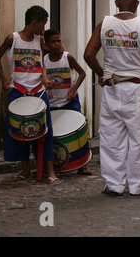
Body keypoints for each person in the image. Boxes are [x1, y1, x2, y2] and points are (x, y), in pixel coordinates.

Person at [84, 0, 140, 197]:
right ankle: (137, 186)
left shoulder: (104, 24)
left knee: (111, 138)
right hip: (138, 89)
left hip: (112, 88)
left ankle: (114, 185)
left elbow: (88, 55)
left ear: (116, 3)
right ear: (137, 4)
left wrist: (102, 74)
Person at [0, 5, 60, 185]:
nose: (44, 30)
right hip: (19, 90)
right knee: (19, 132)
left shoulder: (39, 40)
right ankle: (25, 170)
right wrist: (4, 81)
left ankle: (51, 170)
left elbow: (41, 63)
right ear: (34, 22)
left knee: (46, 131)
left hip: (38, 91)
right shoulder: (12, 39)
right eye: (43, 25)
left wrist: (44, 77)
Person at [43, 29, 91, 175]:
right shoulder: (43, 61)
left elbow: (82, 73)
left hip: (69, 102)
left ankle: (82, 164)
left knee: (79, 130)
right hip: (52, 104)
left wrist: (73, 90)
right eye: (53, 42)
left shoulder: (67, 57)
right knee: (51, 135)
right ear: (46, 45)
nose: (57, 44)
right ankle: (52, 163)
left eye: (59, 41)